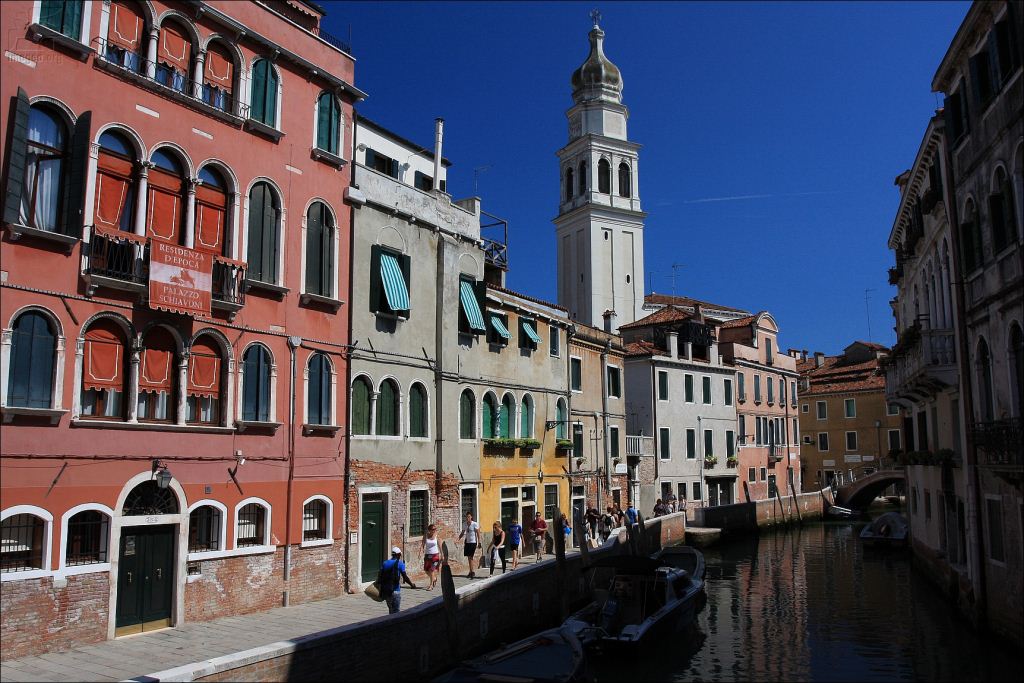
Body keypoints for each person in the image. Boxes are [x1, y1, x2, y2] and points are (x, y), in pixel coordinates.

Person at [379, 547, 416, 614]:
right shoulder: (400, 563)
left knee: (390, 610)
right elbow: (405, 577)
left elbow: (380, 575)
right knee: (396, 612)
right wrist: (411, 585)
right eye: (400, 555)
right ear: (398, 554)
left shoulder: (385, 563)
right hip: (396, 590)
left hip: (387, 591)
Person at [457, 512, 481, 578]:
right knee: (469, 557)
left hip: (473, 542)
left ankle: (472, 572)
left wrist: (479, 542)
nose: (468, 518)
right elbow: (462, 533)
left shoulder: (474, 524)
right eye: (467, 517)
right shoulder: (464, 524)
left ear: (471, 517)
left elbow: (478, 533)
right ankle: (471, 571)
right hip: (467, 542)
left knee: (470, 556)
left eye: (469, 516)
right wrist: (458, 539)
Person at [421, 523, 442, 590]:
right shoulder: (426, 536)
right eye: (433, 529)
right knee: (426, 570)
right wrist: (420, 552)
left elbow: (440, 546)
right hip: (427, 555)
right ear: (429, 530)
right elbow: (423, 544)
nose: (434, 530)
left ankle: (431, 585)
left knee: (431, 570)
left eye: (435, 529)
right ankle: (434, 578)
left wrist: (442, 554)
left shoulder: (437, 536)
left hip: (435, 555)